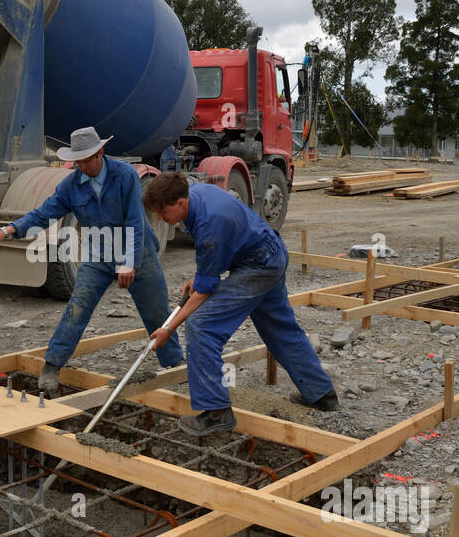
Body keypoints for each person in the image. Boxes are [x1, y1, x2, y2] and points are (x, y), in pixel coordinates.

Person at [0, 127, 184, 396]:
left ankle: (175, 364)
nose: (82, 166)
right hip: (99, 255)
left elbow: (137, 220)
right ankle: (53, 365)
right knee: (78, 307)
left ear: (100, 153)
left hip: (138, 251)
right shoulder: (71, 185)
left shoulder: (124, 176)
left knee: (157, 311)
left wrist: (128, 262)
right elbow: (45, 213)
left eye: (86, 160)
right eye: (77, 161)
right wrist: (9, 230)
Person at [142, 172, 338, 436]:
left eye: (163, 212)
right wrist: (199, 277)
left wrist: (169, 329)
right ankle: (322, 393)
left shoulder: (210, 224)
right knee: (280, 328)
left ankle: (216, 412)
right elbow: (214, 260)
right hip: (270, 254)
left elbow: (202, 293)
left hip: (258, 266)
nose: (161, 219)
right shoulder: (198, 194)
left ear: (180, 202)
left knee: (201, 326)